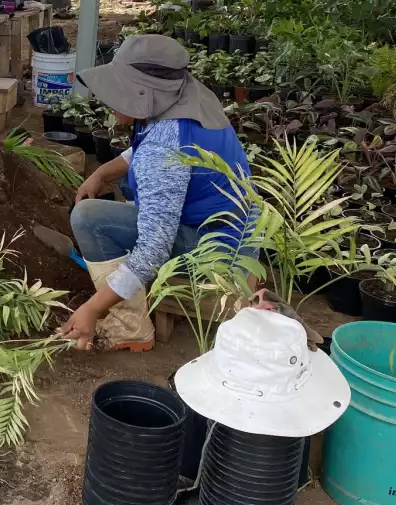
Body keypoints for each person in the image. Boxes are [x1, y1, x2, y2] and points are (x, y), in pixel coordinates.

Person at [59, 35, 252, 353]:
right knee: (128, 194)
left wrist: (92, 309)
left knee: (89, 217)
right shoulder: (187, 96)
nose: (108, 100)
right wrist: (101, 173)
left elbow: (153, 251)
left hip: (217, 252)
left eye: (117, 91)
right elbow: (151, 145)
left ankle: (130, 326)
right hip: (236, 229)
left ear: (143, 94)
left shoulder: (162, 151)